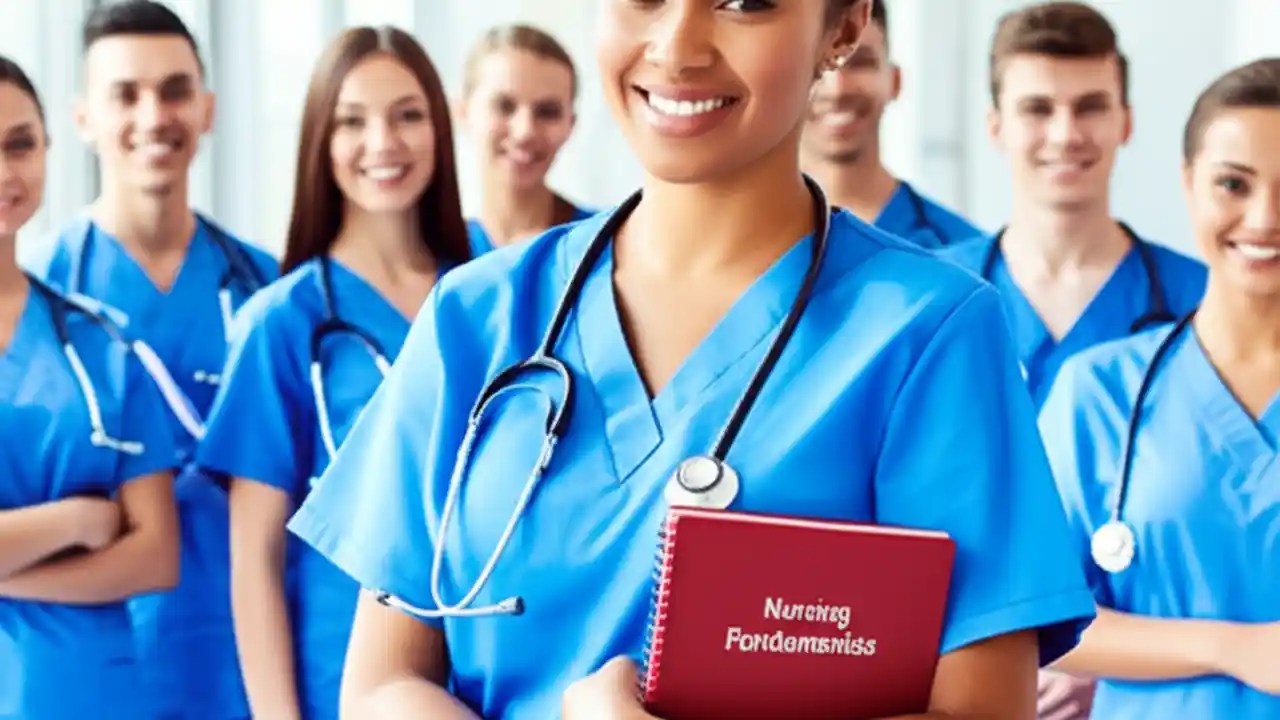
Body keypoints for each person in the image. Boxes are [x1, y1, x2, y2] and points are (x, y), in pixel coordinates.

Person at [287, 2, 1096, 719]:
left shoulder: (930, 333)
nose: (677, 46)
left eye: (745, 3)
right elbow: (385, 682)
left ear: (845, 27)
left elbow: (983, 709)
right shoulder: (478, 316)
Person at [194, 26, 469, 720]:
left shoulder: (487, 299)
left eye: (408, 114)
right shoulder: (281, 322)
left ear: (440, 126)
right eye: (353, 121)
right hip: (340, 677)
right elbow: (253, 559)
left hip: (483, 663)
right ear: (321, 140)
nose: (384, 142)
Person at [22, 2, 278, 717]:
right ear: (82, 119)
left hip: (245, 659)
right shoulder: (39, 301)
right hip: (96, 659)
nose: (153, 115)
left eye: (174, 90)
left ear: (208, 107)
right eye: (125, 94)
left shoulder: (270, 291)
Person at [1040, 56, 1280, 720]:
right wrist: (1236, 648)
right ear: (1188, 184)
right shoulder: (1099, 392)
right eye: (1234, 184)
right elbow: (1041, 614)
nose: (1263, 218)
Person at [0, 54, 180, 719]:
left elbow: (157, 557)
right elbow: (116, 534)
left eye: (19, 144)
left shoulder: (102, 341)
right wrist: (73, 520)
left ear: (49, 148)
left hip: (89, 692)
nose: (4, 172)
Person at [939, 2, 1206, 411]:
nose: (1066, 135)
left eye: (1091, 107)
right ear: (996, 128)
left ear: (1126, 123)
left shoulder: (1197, 301)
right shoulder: (937, 292)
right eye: (1037, 110)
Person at [800, 0, 980, 248]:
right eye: (819, 63)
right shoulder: (739, 242)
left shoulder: (963, 256)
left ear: (895, 82)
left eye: (860, 62)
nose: (837, 88)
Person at [457, 23, 594, 256]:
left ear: (570, 125)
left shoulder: (606, 242)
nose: (525, 131)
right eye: (504, 106)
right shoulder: (433, 254)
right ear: (462, 112)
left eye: (547, 111)